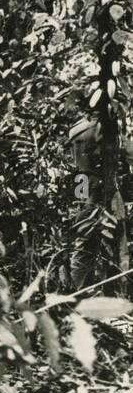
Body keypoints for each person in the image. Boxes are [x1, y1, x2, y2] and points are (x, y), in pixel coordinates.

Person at [67, 113, 133, 291]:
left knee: (82, 242)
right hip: (102, 188)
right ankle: (119, 291)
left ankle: (76, 292)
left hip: (81, 186)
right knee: (118, 242)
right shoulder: (105, 128)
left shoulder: (77, 128)